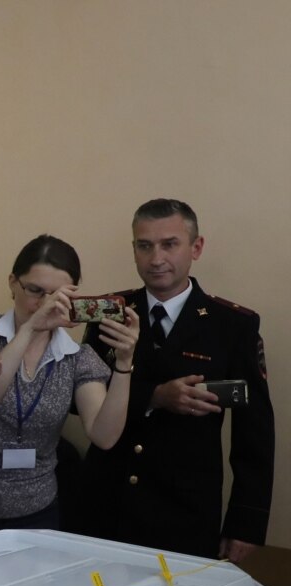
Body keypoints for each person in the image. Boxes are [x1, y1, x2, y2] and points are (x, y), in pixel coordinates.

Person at [81, 199, 274, 562]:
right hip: (108, 500)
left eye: (169, 244)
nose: (156, 259)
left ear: (196, 248)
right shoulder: (108, 312)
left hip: (183, 509)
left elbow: (255, 433)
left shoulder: (231, 325)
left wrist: (245, 523)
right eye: (144, 245)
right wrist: (154, 397)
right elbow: (80, 404)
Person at [0, 235, 139, 540]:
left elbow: (104, 436)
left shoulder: (78, 358)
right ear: (12, 283)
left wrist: (125, 363)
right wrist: (30, 328)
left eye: (55, 295)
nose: (44, 303)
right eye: (35, 291)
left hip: (39, 513)